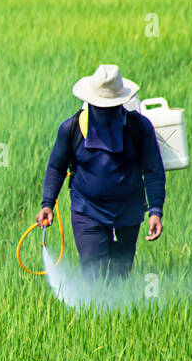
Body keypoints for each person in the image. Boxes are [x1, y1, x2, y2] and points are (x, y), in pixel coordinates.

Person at [36, 64, 166, 283]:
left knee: (120, 275)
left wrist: (155, 211)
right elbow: (56, 167)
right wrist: (47, 203)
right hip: (88, 209)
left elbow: (153, 170)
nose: (105, 112)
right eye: (100, 106)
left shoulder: (139, 128)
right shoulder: (72, 129)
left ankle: (116, 315)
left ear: (121, 103)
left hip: (128, 210)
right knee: (92, 273)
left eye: (110, 106)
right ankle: (94, 314)